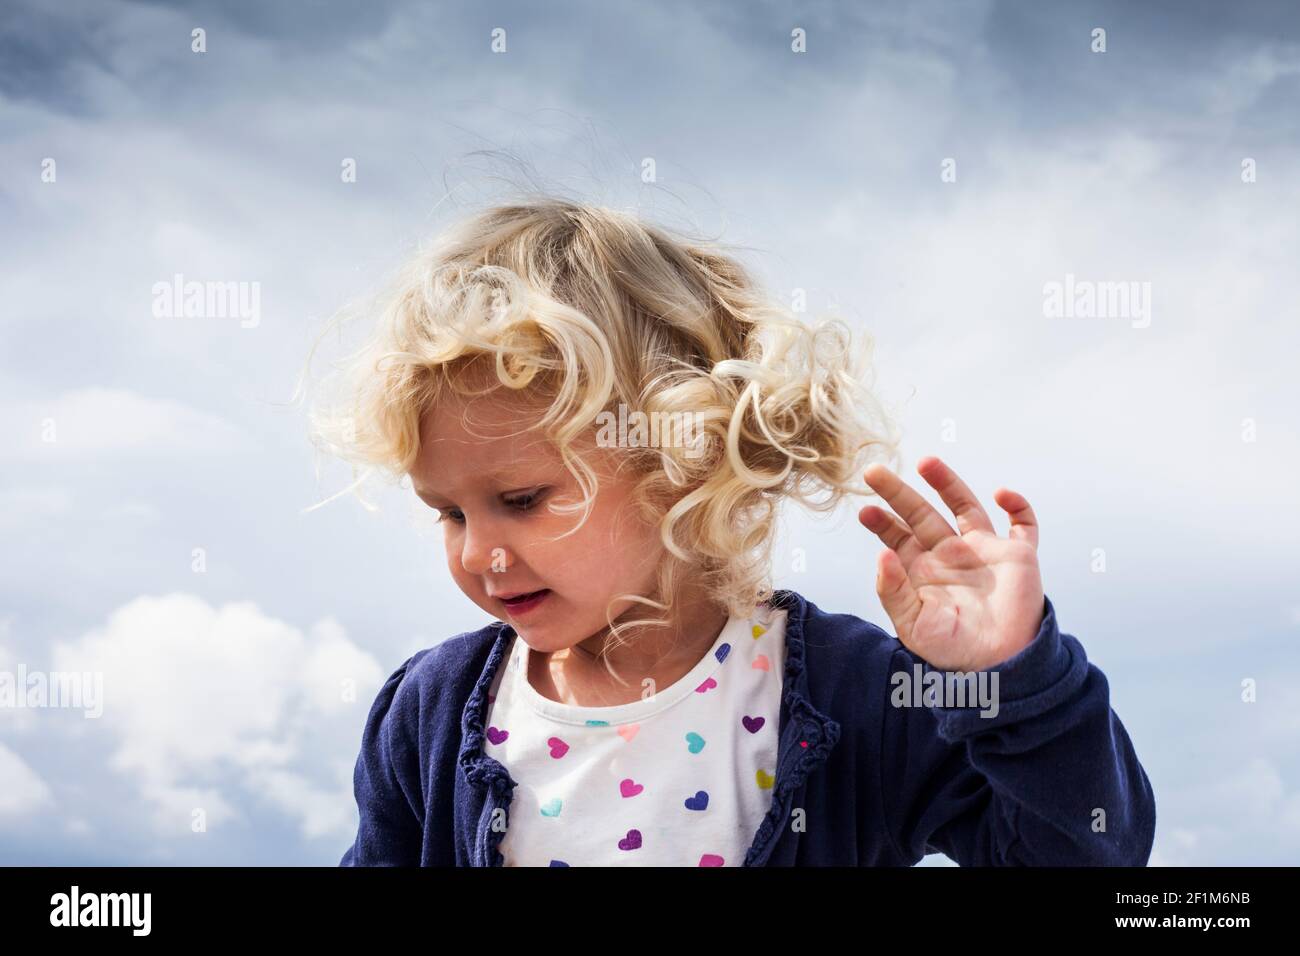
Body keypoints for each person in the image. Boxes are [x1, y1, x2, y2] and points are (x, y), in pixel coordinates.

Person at [307, 197, 1155, 866]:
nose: (479, 554)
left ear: (683, 457)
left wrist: (1013, 680)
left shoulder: (856, 693)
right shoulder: (432, 711)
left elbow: (1085, 853)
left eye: (523, 499)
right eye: (449, 513)